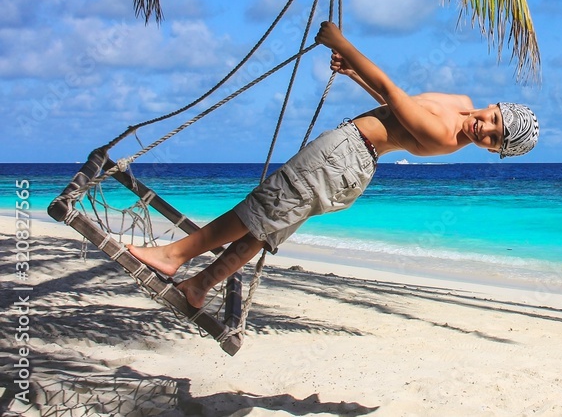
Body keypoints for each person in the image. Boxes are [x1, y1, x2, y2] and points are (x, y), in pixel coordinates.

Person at [128, 21, 539, 308]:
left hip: (347, 155)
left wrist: (342, 44)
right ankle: (200, 285)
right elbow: (399, 107)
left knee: (261, 208)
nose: (485, 129)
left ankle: (174, 255)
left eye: (493, 139)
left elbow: (391, 91)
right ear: (496, 106)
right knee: (269, 223)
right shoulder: (461, 104)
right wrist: (352, 75)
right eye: (495, 121)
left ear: (490, 151)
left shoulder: (445, 138)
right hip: (350, 161)